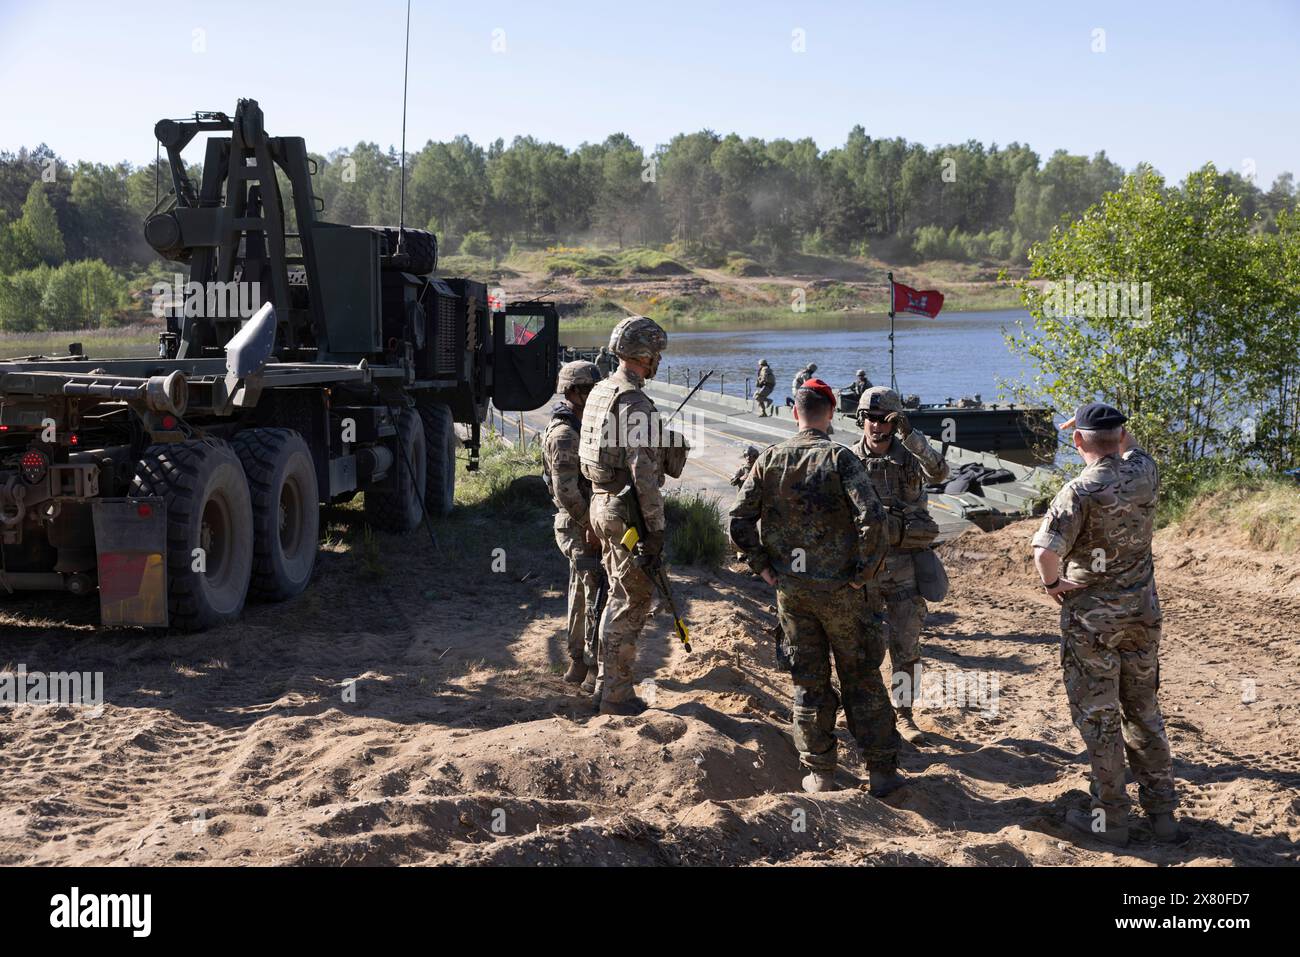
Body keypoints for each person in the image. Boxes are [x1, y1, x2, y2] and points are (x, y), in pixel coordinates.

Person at [729, 378, 905, 797]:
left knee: (808, 681)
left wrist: (763, 568)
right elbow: (874, 520)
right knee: (862, 677)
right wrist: (862, 573)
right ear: (830, 414)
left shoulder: (769, 460)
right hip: (843, 592)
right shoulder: (841, 458)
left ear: (795, 413)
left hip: (793, 594)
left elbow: (738, 521)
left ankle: (821, 773)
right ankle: (881, 773)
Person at [1032, 403, 1179, 848]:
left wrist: (1054, 584)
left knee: (1100, 719)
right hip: (1142, 616)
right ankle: (1163, 816)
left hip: (1093, 623)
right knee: (1144, 712)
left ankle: (1111, 819)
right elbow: (1128, 445)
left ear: (1077, 441)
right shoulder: (1144, 473)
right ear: (1119, 436)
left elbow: (1044, 551)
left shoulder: (1079, 490)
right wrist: (1110, 430)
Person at [579, 316, 688, 715]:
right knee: (634, 599)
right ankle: (616, 696)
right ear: (644, 354)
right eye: (655, 353)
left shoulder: (600, 391)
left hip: (601, 503)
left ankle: (604, 685)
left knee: (616, 592)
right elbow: (644, 476)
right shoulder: (634, 402)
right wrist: (655, 530)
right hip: (626, 512)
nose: (657, 360)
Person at [851, 386, 950, 745]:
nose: (877, 427)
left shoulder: (911, 457)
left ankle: (904, 714)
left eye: (885, 420)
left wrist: (912, 437)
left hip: (907, 565)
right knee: (864, 647)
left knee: (906, 646)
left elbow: (940, 472)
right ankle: (870, 714)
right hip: (866, 571)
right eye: (870, 419)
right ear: (860, 419)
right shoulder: (848, 459)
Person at [542, 360, 604, 693]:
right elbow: (566, 491)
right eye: (589, 390)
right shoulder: (565, 435)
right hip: (578, 523)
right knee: (592, 593)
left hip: (584, 521)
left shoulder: (580, 426)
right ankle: (588, 666)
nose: (595, 396)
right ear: (573, 393)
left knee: (583, 591)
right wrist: (590, 525)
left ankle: (579, 664)